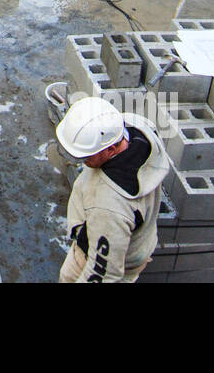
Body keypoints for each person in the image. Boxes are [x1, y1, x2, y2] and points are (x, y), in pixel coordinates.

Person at [54, 96, 170, 283]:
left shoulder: (108, 205)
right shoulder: (137, 127)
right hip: (138, 244)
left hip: (98, 253)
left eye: (87, 156)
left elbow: (103, 274)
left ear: (111, 149)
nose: (83, 162)